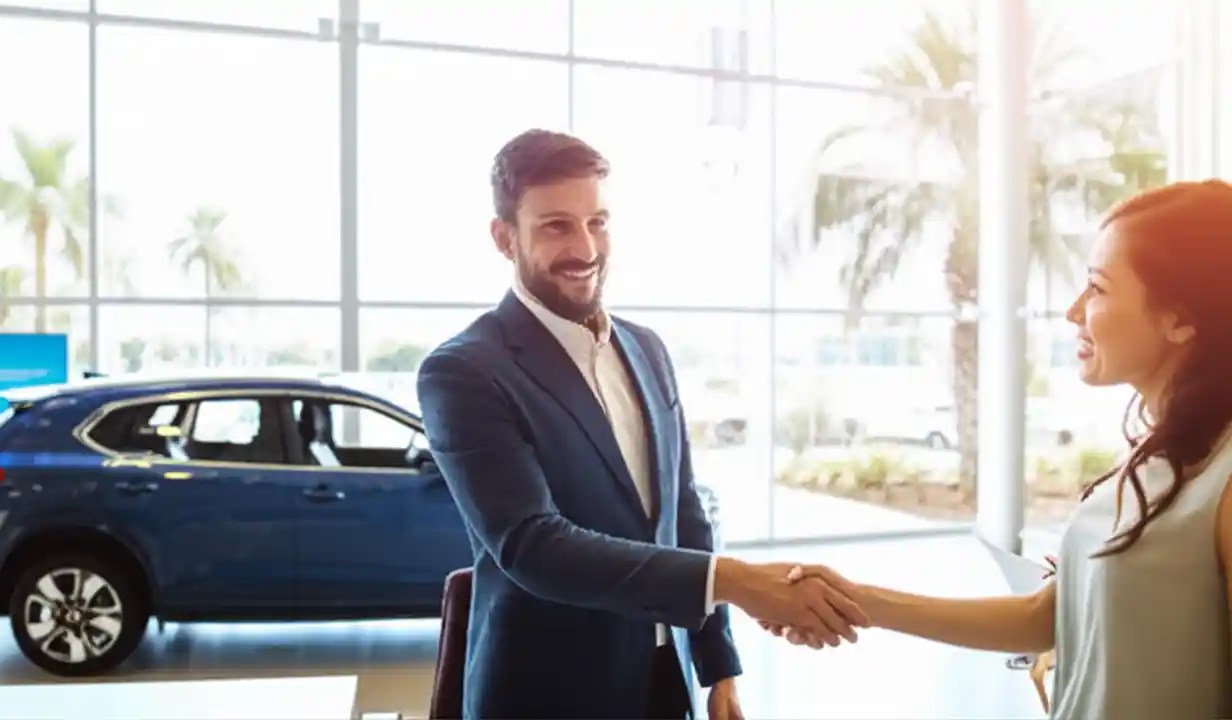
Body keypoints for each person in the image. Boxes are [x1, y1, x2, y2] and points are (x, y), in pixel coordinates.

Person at [415, 129, 869, 719]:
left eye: (597, 222)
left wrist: (718, 665)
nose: (585, 247)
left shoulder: (647, 350)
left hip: (664, 682)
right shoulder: (464, 371)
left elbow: (682, 512)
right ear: (505, 238)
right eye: (556, 226)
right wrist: (737, 580)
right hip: (544, 695)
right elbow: (532, 546)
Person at [764, 180, 1232, 719]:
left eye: (1098, 289)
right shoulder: (1153, 456)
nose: (1075, 311)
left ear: (1180, 318)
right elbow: (1046, 616)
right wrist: (856, 601)